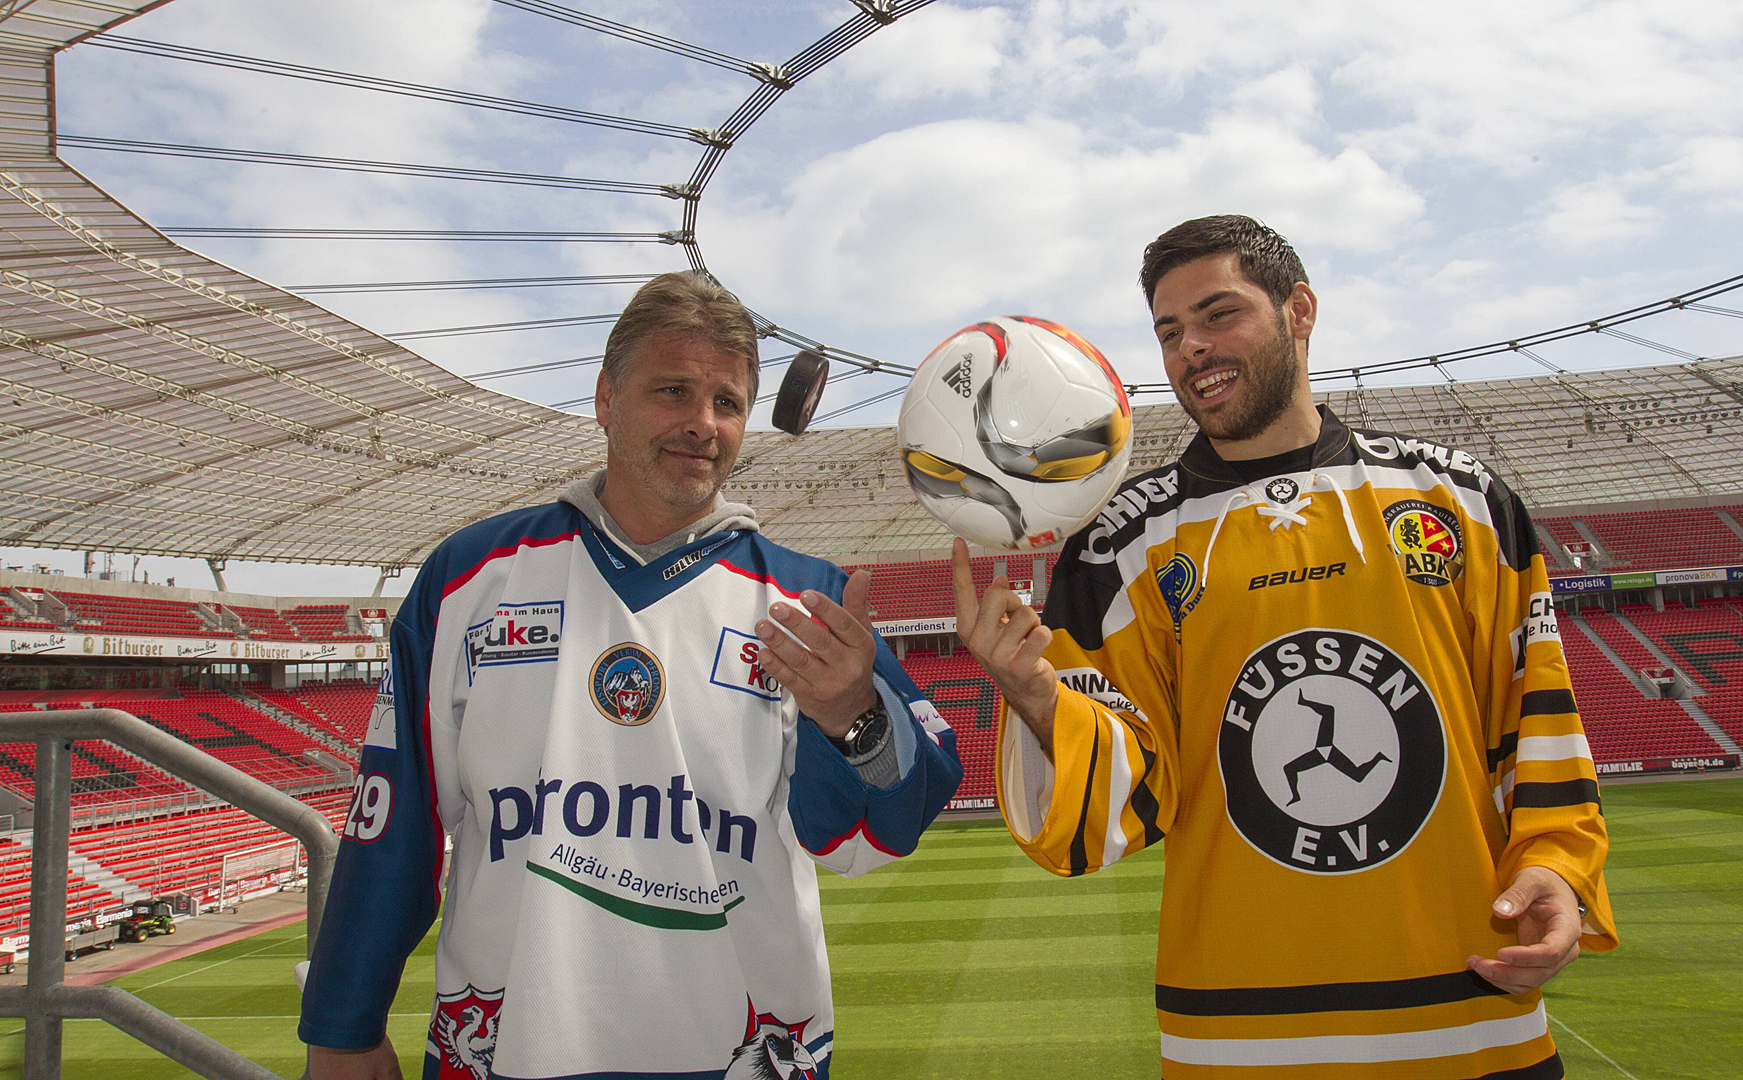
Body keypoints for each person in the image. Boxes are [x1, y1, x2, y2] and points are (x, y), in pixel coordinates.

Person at [956, 215, 1615, 1079]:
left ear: (1299, 309)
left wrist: (1559, 869)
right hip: (1237, 1034)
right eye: (1168, 332)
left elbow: (1537, 721)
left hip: (1470, 1015)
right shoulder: (1118, 546)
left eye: (1218, 314)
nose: (1191, 346)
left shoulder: (1458, 500)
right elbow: (1121, 803)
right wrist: (1037, 696)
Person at [301, 271, 963, 1080]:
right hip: (508, 1055)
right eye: (673, 390)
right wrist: (344, 1025)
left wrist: (854, 713)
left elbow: (873, 839)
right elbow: (390, 822)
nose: (702, 424)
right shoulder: (470, 579)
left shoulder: (810, 601)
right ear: (606, 399)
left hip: (739, 1058)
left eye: (727, 402)